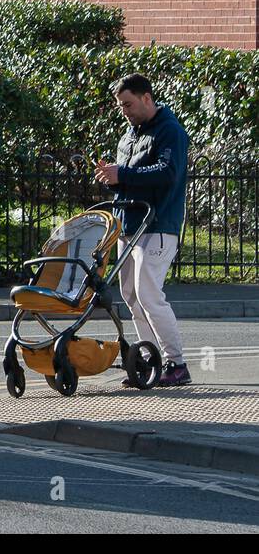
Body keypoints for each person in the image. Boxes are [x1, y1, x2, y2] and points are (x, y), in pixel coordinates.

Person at [94, 73, 191, 386]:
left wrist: (121, 173)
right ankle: (151, 359)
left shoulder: (170, 131)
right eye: (121, 106)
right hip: (130, 225)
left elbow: (167, 173)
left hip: (158, 224)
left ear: (147, 98)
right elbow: (130, 179)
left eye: (128, 104)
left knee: (149, 294)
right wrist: (112, 177)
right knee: (132, 296)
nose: (125, 110)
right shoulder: (129, 135)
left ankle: (176, 363)